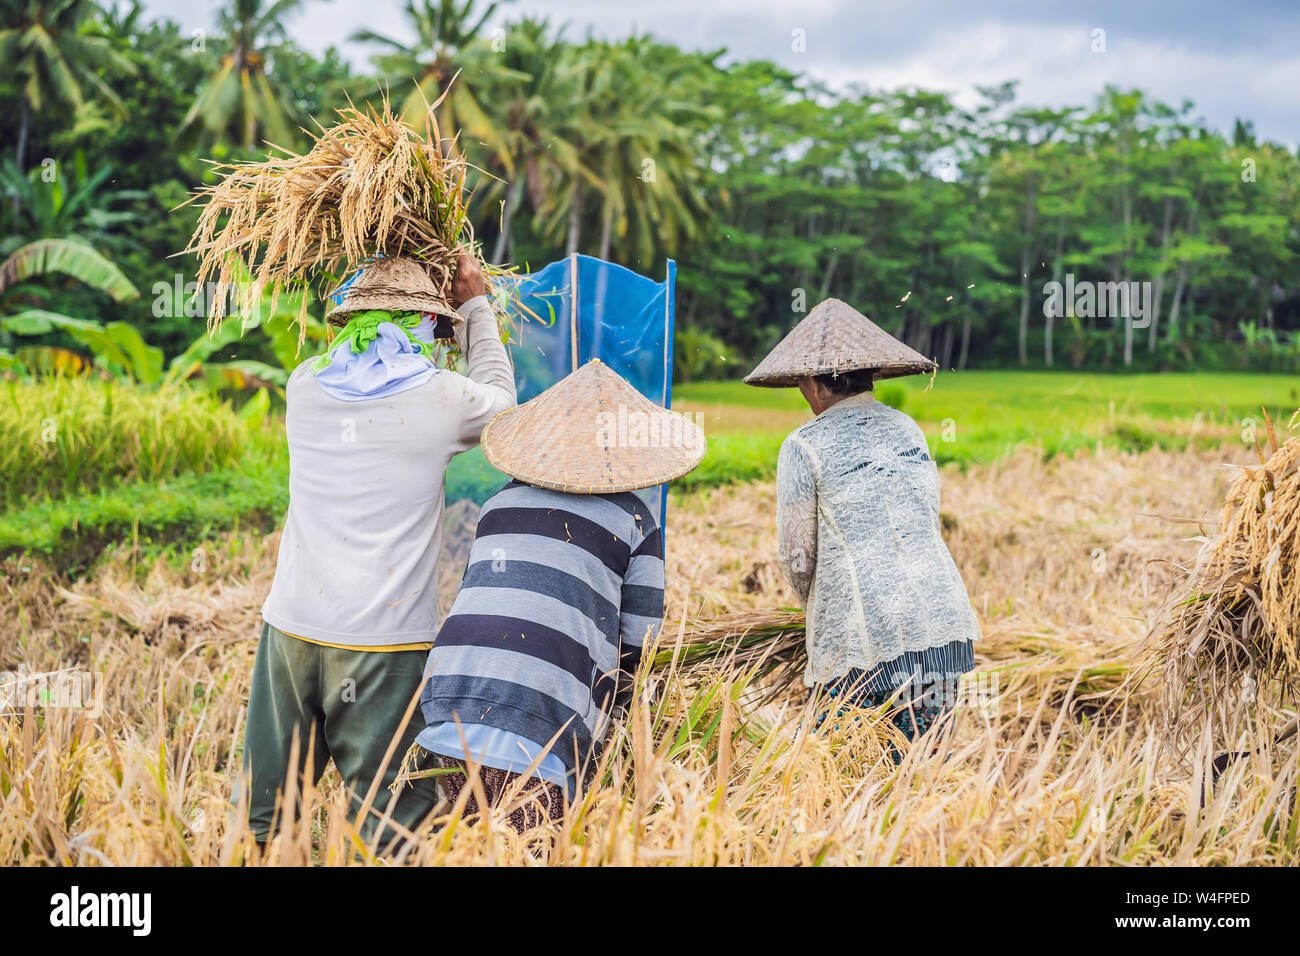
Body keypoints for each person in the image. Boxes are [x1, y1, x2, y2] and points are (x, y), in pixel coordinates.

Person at [239, 253, 517, 848]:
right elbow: (504, 408)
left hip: (289, 635)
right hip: (383, 647)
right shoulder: (444, 400)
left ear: (347, 323)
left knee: (265, 822)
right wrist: (474, 308)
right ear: (423, 327)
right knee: (394, 830)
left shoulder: (305, 386)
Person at [405, 359, 705, 831]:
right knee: (531, 846)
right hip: (543, 712)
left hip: (450, 691)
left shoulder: (498, 503)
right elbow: (640, 649)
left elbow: (480, 596)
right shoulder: (637, 520)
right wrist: (621, 738)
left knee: (473, 840)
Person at [745, 297, 980, 759]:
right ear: (868, 373)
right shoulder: (908, 428)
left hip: (861, 643)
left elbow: (798, 557)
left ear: (812, 384)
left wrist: (815, 613)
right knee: (923, 773)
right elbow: (924, 518)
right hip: (940, 625)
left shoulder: (802, 445)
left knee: (846, 776)